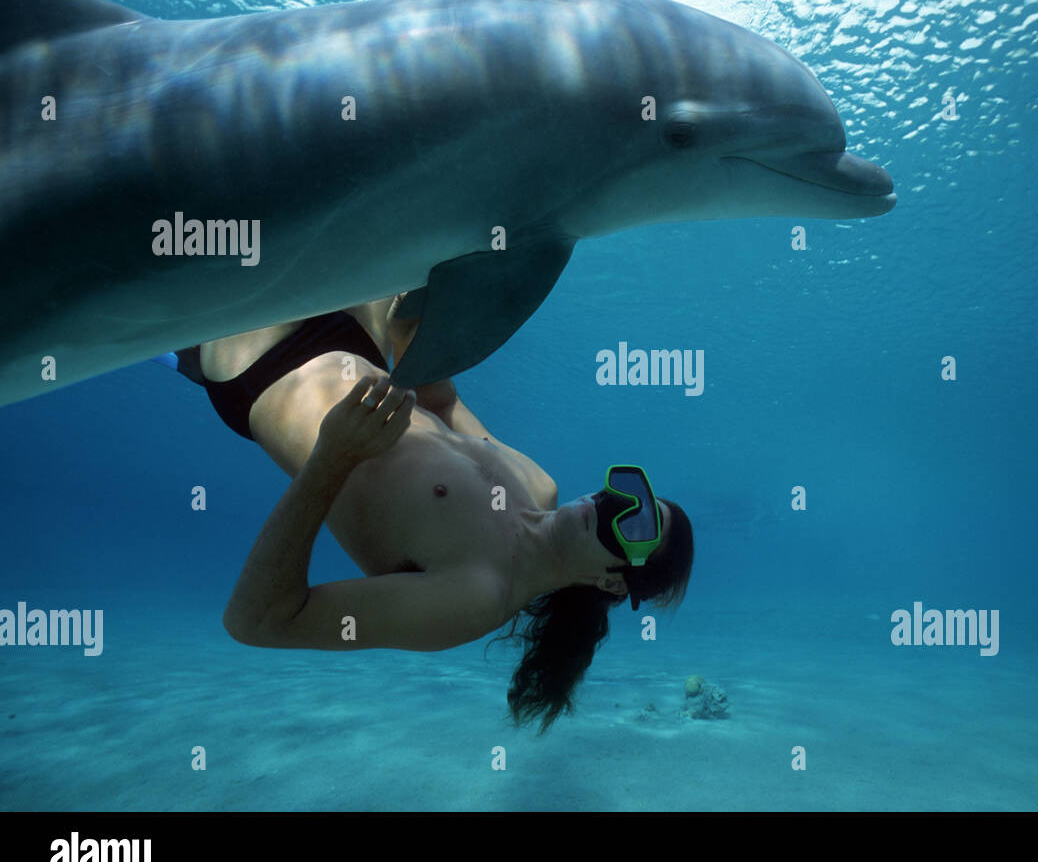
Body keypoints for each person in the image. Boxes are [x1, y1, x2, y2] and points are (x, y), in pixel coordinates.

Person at [187, 296, 693, 733]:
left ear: (612, 584)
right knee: (379, 209)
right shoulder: (539, 483)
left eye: (637, 523)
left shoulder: (473, 597)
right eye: (630, 492)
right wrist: (416, 319)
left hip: (264, 369)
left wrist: (331, 458)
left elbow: (257, 621)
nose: (612, 504)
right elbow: (441, 402)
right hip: (358, 346)